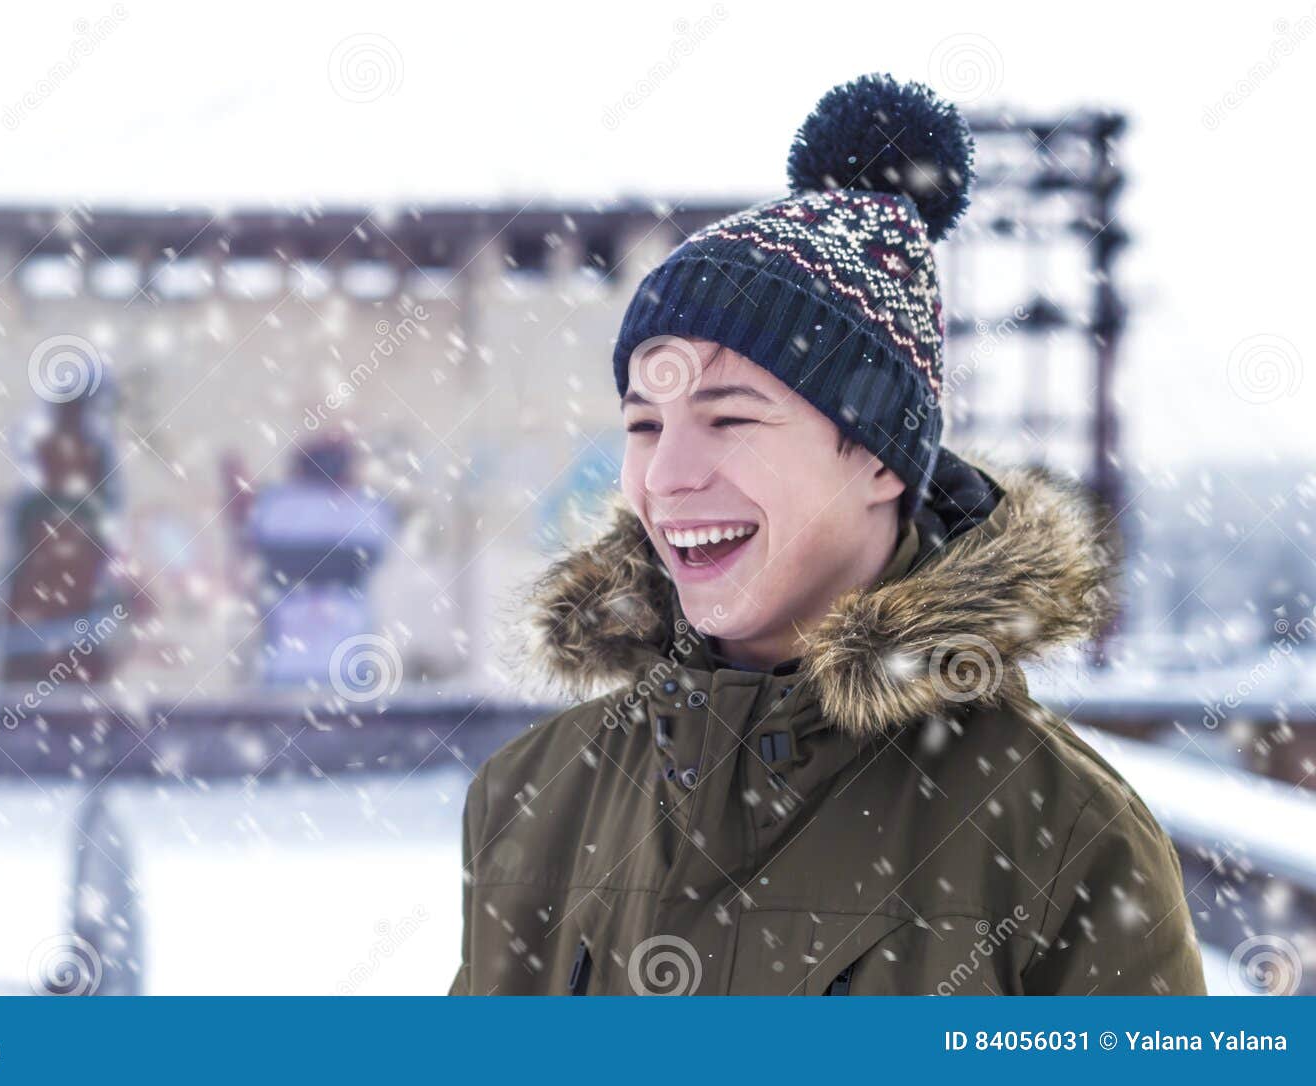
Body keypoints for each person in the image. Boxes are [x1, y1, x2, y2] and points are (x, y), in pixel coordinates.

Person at [448, 74, 1206, 996]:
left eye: (729, 419)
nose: (670, 474)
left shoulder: (1061, 837)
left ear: (883, 458)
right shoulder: (532, 797)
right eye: (644, 425)